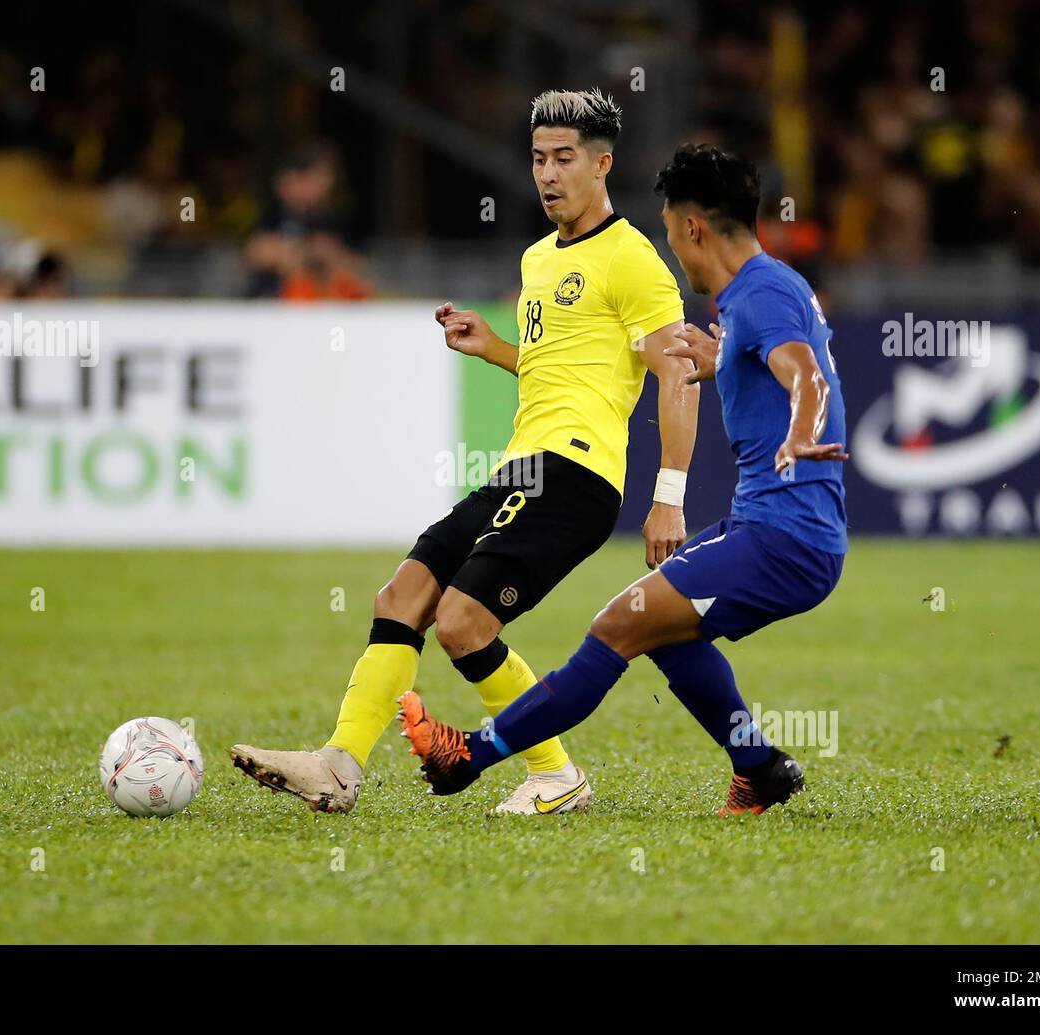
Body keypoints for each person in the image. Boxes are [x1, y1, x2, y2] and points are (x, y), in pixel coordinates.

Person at [230, 89, 698, 815]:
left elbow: (678, 371)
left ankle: (555, 773)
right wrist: (497, 350)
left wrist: (668, 494)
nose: (547, 173)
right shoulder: (538, 259)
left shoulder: (634, 260)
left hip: (575, 475)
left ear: (602, 164)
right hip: (524, 466)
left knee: (462, 621)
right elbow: (559, 366)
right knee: (403, 597)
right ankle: (338, 763)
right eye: (538, 157)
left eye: (564, 158)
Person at [400, 145, 849, 817]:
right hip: (768, 526)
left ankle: (469, 755)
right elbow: (773, 356)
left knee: (617, 624)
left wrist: (803, 428)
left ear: (693, 228)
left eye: (672, 236)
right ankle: (758, 766)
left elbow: (803, 371)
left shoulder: (756, 294)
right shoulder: (771, 289)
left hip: (788, 536)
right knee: (664, 633)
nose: (675, 253)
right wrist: (723, 358)